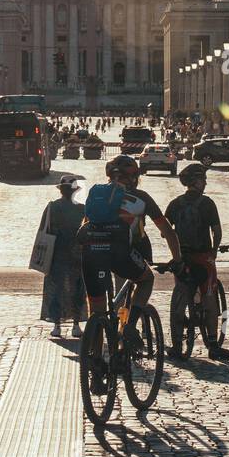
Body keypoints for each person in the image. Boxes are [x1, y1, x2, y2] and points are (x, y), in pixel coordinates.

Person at [77, 154, 181, 360]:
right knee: (146, 279)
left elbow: (85, 224)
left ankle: (95, 367)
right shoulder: (141, 198)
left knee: (96, 311)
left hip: (91, 254)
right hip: (121, 253)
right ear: (134, 177)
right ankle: (131, 326)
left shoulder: (97, 194)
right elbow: (167, 231)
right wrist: (177, 259)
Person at [164, 163, 229, 362]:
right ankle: (213, 344)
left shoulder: (175, 203)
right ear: (196, 182)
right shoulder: (207, 203)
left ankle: (177, 344)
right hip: (203, 257)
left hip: (182, 258)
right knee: (209, 295)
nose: (206, 183)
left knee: (180, 295)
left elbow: (165, 231)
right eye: (203, 179)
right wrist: (214, 251)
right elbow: (217, 232)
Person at [39, 174, 86, 339]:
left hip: (56, 253)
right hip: (77, 254)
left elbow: (43, 231)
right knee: (77, 288)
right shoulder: (82, 209)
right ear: (74, 192)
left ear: (62, 191)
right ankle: (75, 325)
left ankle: (57, 324)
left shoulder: (52, 207)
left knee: (56, 289)